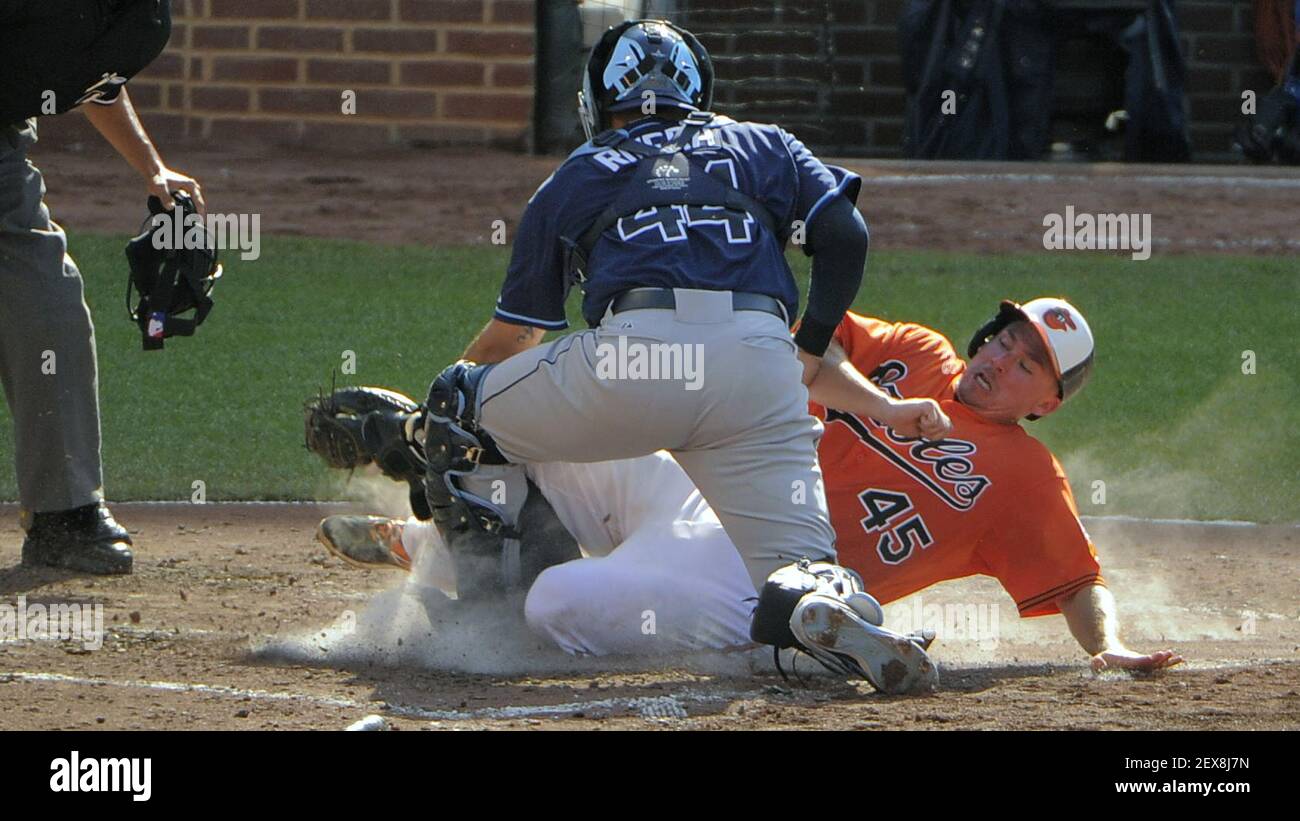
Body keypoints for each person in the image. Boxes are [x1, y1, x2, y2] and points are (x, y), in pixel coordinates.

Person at [317, 297, 1181, 677]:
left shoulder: (1028, 479)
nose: (999, 357)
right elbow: (807, 336)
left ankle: (456, 572)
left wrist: (1103, 646)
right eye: (1002, 337)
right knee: (534, 427)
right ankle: (443, 536)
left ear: (1049, 401)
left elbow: (1077, 580)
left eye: (1027, 361)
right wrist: (879, 396)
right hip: (703, 483)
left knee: (555, 604)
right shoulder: (914, 351)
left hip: (758, 579)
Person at [1, 0, 204, 575]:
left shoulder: (139, 20)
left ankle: (64, 515)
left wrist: (151, 167)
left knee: (48, 302)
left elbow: (95, 78)